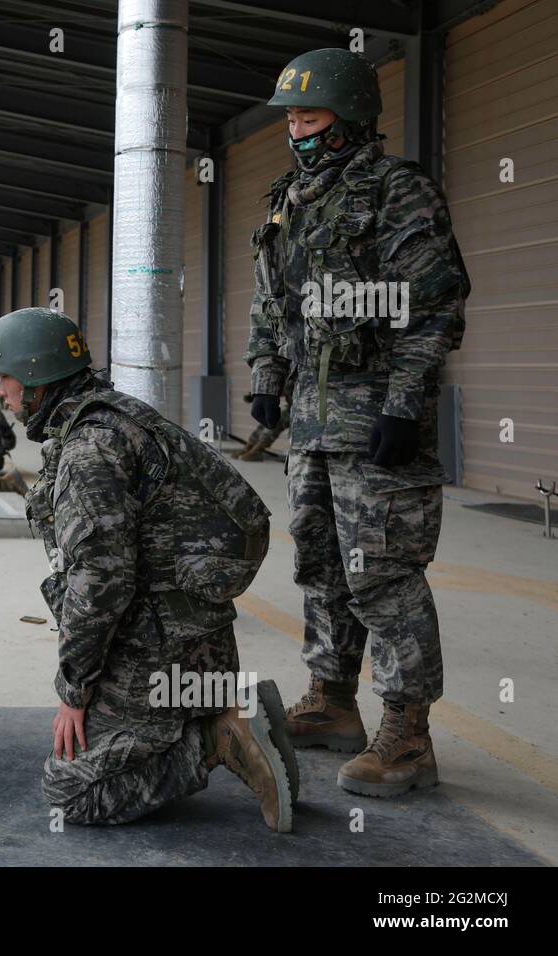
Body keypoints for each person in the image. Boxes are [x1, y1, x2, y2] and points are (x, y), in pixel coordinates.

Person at [245, 48, 470, 797]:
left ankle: (407, 735)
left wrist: (405, 404)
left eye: (310, 117)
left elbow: (433, 305)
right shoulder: (289, 200)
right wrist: (266, 382)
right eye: (290, 118)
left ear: (352, 119)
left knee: (384, 577)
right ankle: (332, 701)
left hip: (377, 425)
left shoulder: (397, 191)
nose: (297, 130)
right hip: (312, 428)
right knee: (320, 566)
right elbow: (271, 304)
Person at [0, 307, 298, 831]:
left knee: (73, 792)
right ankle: (217, 706)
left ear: (36, 377)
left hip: (161, 648)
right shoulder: (113, 415)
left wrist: (74, 691)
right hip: (195, 637)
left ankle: (215, 737)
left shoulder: (89, 449)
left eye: (3, 377)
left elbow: (100, 584)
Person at [237, 388, 291, 461]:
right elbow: (282, 388)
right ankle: (249, 446)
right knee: (267, 420)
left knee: (277, 422)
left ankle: (257, 450)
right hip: (293, 408)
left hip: (302, 411)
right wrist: (256, 395)